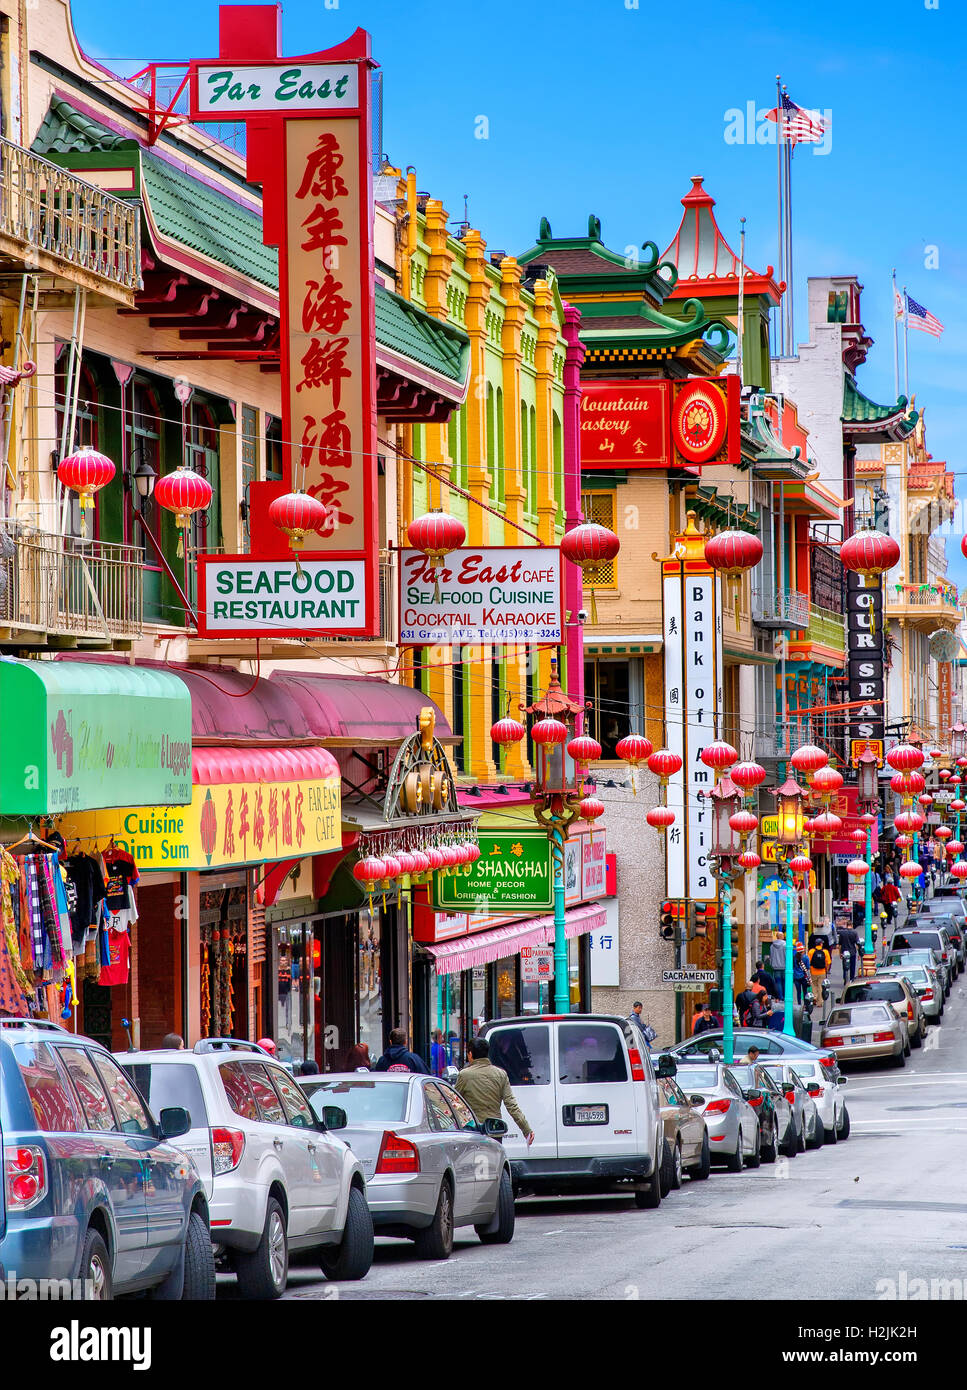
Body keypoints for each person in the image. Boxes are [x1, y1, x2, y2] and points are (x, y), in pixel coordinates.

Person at [455, 1036, 534, 1145]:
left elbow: (454, 1102)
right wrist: (526, 1130)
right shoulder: (501, 1074)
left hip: (473, 1132)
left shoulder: (464, 1075)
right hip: (494, 1130)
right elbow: (512, 1106)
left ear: (470, 1054)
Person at [769, 933, 787, 998]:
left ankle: (780, 996)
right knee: (785, 982)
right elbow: (786, 956)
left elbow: (771, 956)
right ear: (782, 936)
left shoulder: (772, 946)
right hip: (784, 966)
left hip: (775, 966)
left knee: (778, 982)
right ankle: (785, 996)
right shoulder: (785, 945)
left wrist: (771, 964)